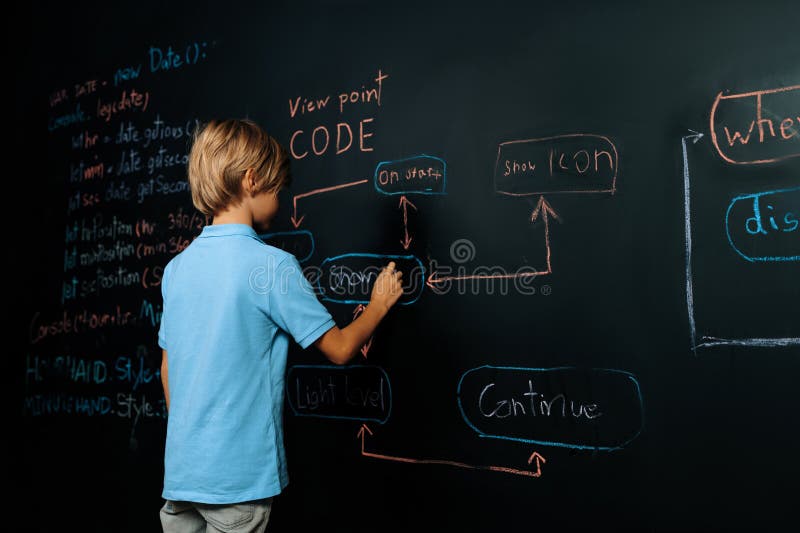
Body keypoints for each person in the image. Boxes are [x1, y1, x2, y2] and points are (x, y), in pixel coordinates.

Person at [157, 119, 404, 532]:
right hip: (238, 484)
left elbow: (168, 370)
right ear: (251, 181)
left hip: (181, 478)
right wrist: (378, 305)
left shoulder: (176, 269)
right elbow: (340, 349)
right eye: (277, 189)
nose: (283, 201)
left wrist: (194, 445)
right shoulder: (271, 266)